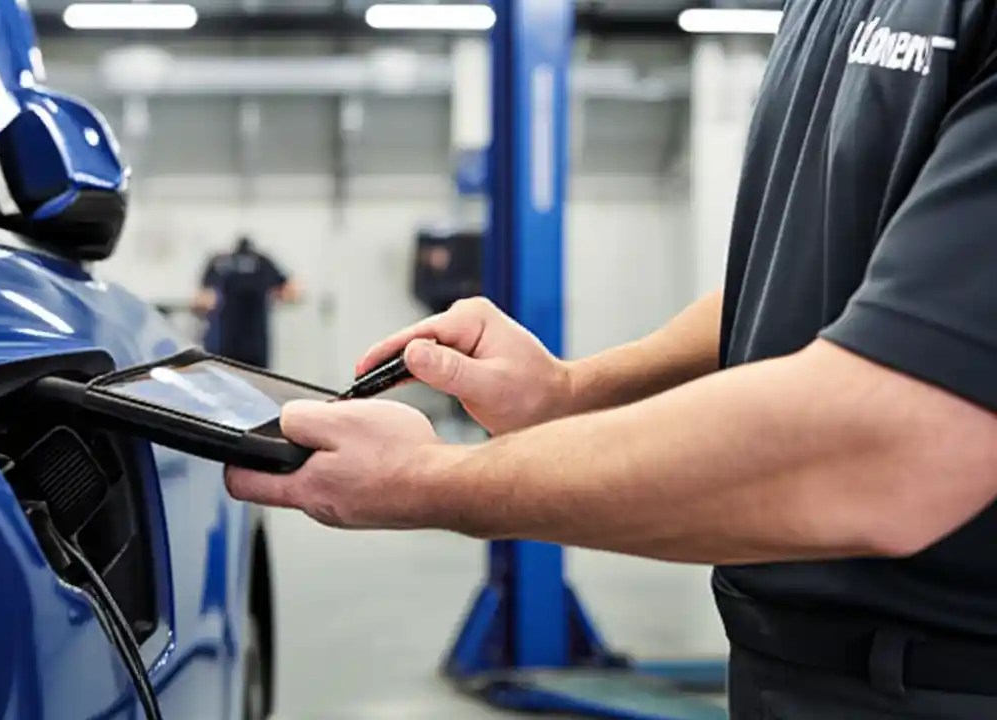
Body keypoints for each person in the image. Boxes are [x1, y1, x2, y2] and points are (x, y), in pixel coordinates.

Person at [225, 2, 997, 717]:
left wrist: (426, 483)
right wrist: (572, 392)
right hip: (785, 665)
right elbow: (817, 267)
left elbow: (890, 449)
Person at [195, 236, 299, 368]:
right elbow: (291, 292)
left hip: (223, 342)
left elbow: (203, 299)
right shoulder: (263, 262)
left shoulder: (220, 262)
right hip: (255, 343)